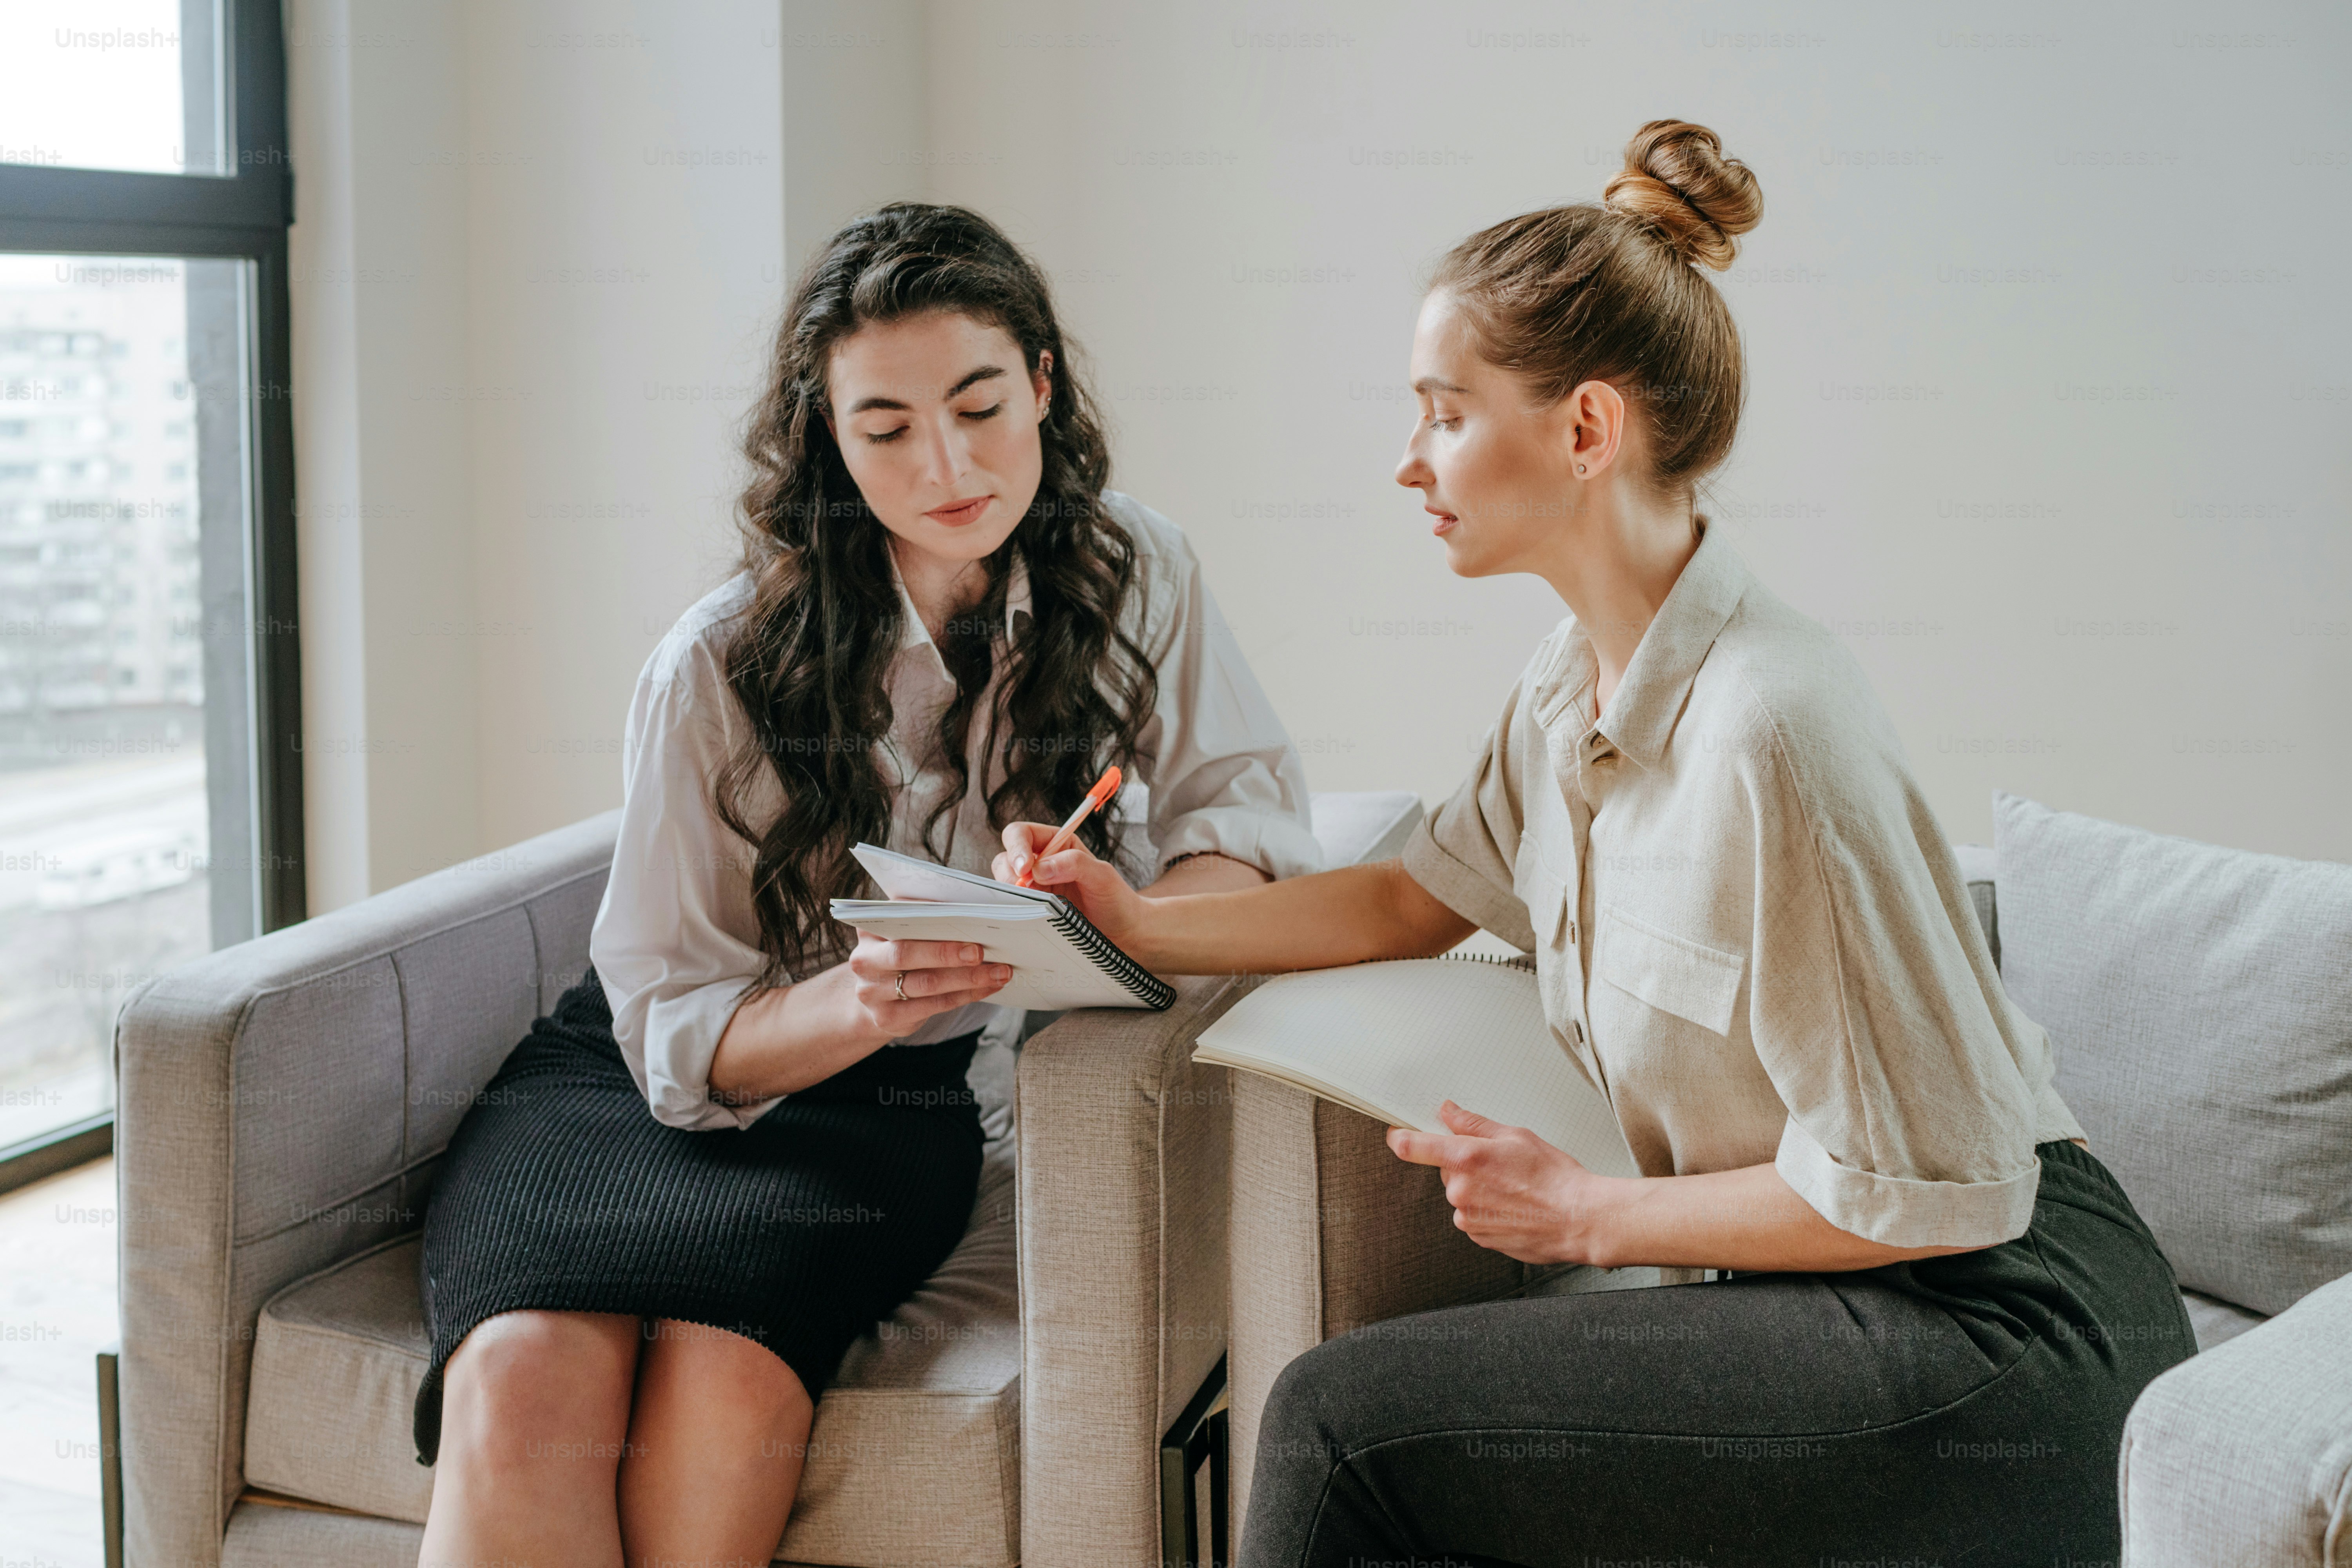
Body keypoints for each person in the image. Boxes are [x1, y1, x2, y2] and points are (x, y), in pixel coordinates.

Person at [995, 121, 2195, 1566]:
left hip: (2005, 1330)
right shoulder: (1572, 686)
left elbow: (1926, 1191)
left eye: (1444, 411)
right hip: (1863, 1297)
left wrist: (1589, 1214)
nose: (1407, 460)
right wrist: (1132, 920)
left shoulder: (1773, 730)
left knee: (1338, 1427)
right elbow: (1405, 896)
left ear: (1584, 430)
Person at [411, 202, 1322, 1568]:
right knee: (524, 1375)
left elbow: (1242, 813)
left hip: (886, 1117)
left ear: (1045, 386)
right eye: (885, 429)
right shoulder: (716, 664)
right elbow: (667, 1021)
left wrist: (1124, 904)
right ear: (830, 442)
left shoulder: (1140, 569)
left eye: (979, 405)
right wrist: (857, 998)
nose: (946, 465)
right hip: (628, 1083)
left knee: (724, 1382)